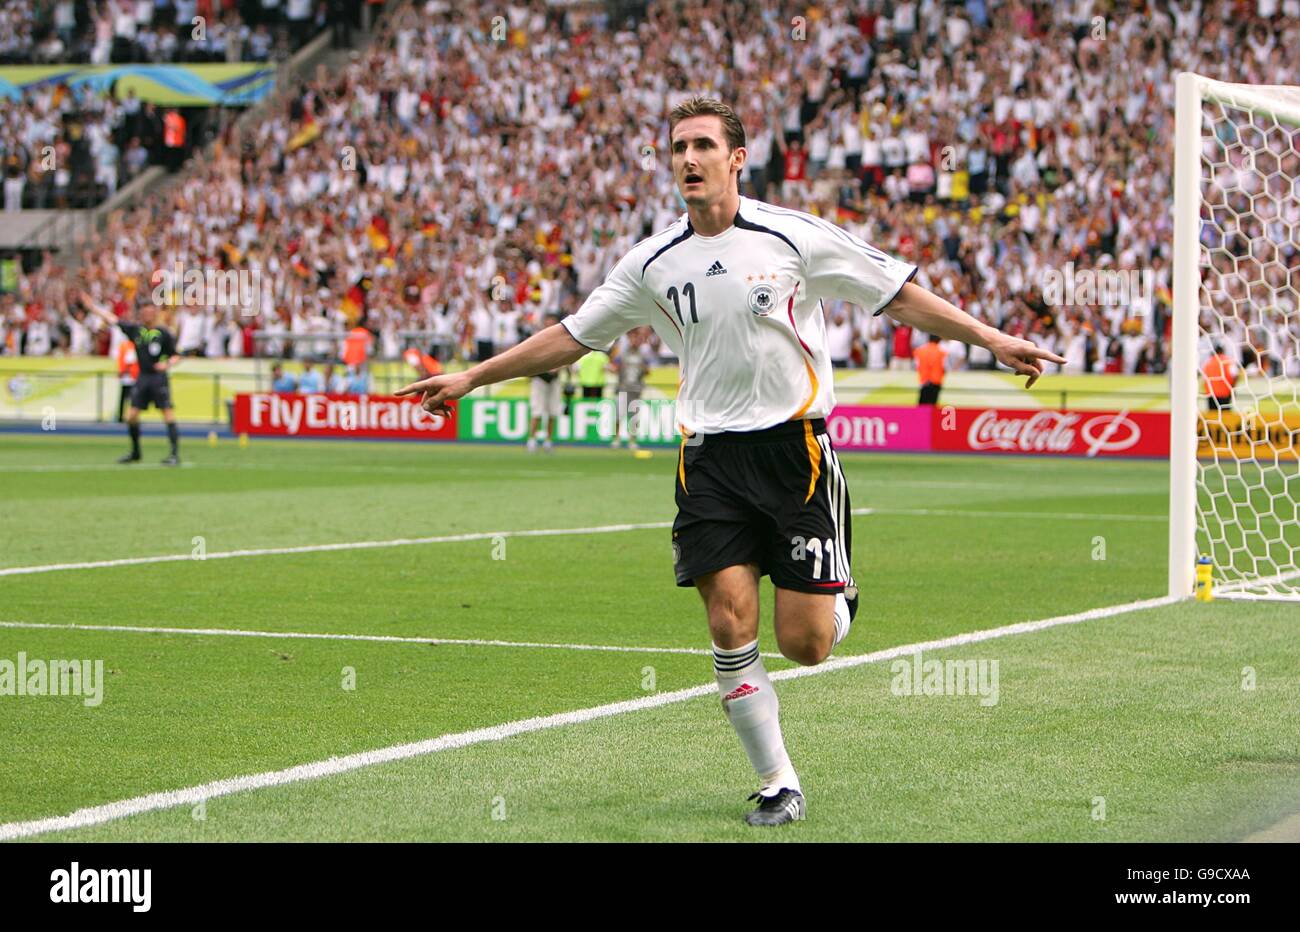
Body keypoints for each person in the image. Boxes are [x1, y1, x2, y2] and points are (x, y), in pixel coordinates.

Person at [396, 96, 1064, 828]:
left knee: (804, 645)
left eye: (704, 145)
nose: (689, 159)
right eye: (679, 147)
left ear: (736, 158)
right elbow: (574, 335)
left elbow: (895, 295)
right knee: (728, 622)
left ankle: (839, 599)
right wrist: (470, 377)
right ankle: (778, 781)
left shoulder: (792, 236)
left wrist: (992, 339)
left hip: (796, 454)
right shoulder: (650, 262)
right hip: (709, 460)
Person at [82, 291, 183, 464]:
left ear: (154, 312)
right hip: (142, 377)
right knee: (131, 416)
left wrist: (166, 365)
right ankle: (136, 452)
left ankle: (174, 454)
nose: (145, 313)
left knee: (167, 414)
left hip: (158, 377)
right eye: (143, 310)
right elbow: (113, 320)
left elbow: (176, 355)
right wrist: (93, 308)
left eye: (148, 309)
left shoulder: (163, 333)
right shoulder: (136, 331)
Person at [527, 312, 566, 454]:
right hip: (540, 378)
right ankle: (532, 439)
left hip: (554, 380)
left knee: (552, 411)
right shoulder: (539, 338)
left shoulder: (561, 339)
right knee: (537, 410)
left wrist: (559, 367)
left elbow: (565, 356)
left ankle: (548, 440)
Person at [1202, 343, 1237, 410]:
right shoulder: (1228, 361)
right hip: (1225, 395)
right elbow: (1235, 374)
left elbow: (1204, 378)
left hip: (1211, 395)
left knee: (1212, 417)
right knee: (1225, 417)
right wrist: (1233, 389)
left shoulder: (1208, 362)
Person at [914, 333, 946, 405]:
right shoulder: (942, 352)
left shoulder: (919, 351)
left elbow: (916, 365)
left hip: (923, 381)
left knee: (922, 405)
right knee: (932, 406)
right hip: (936, 382)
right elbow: (945, 367)